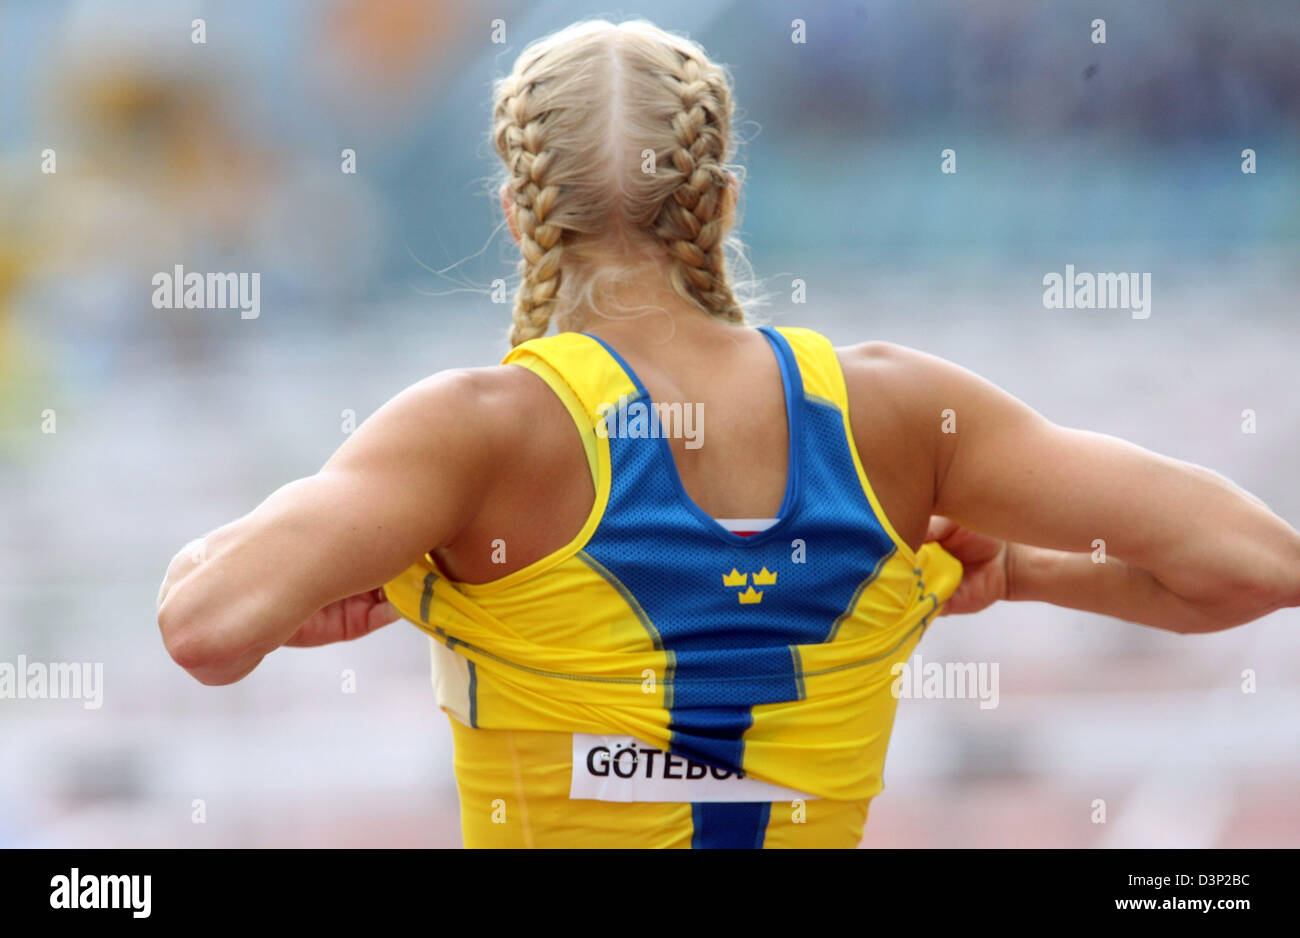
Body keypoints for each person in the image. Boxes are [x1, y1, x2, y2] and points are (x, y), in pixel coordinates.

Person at [156, 19, 1300, 848]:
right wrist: (1028, 576)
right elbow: (1254, 566)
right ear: (723, 199)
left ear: (515, 213)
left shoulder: (476, 433)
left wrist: (322, 573)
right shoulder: (898, 410)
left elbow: (204, 625)